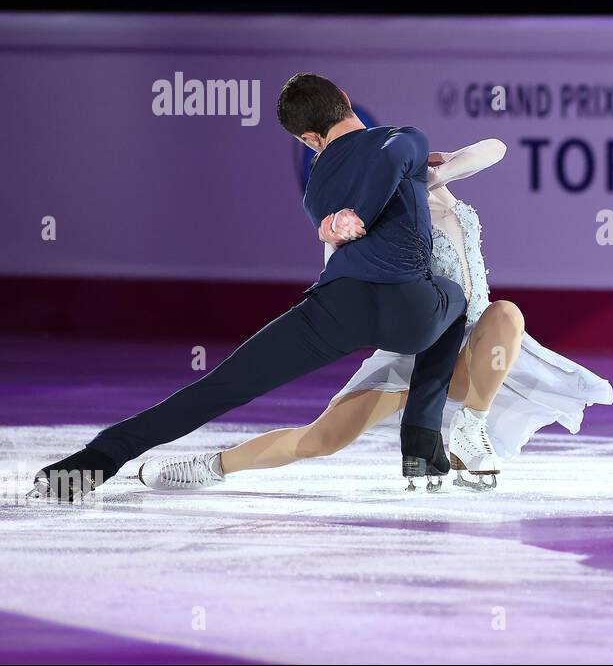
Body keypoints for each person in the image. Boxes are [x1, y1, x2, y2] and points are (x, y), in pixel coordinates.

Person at [29, 73, 466, 501]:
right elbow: (391, 156)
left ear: (310, 139)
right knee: (456, 297)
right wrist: (366, 209)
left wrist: (344, 219)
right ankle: (421, 438)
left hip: (334, 311)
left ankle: (96, 459)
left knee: (219, 389)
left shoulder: (316, 187)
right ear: (345, 99)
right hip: (411, 310)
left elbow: (355, 201)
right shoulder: (405, 138)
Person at [137, 138, 613, 493]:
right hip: (417, 344)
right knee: (321, 439)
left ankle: (470, 429)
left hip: (478, 342)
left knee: (506, 313)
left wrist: (439, 161)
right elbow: (339, 281)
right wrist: (338, 235)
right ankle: (210, 466)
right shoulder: (368, 215)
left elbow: (495, 148)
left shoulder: (423, 182)